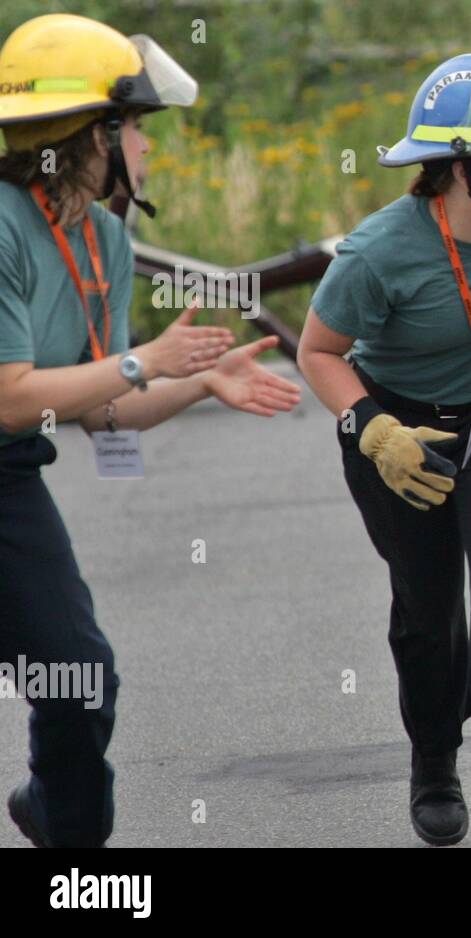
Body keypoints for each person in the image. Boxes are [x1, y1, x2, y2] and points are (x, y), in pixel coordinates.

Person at [0, 13, 302, 847]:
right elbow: (12, 397)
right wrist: (145, 361)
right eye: (134, 127)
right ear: (92, 134)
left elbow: (100, 407)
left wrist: (199, 379)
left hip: (7, 478)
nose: (147, 147)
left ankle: (70, 845)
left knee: (81, 681)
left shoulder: (104, 238)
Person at [297, 49, 471, 848]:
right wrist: (373, 431)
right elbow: (317, 353)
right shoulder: (379, 252)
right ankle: (433, 761)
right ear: (459, 169)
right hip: (395, 424)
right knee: (428, 607)